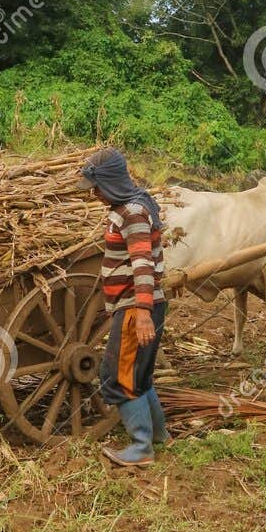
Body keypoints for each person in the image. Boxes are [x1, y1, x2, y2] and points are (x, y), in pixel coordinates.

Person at [80, 147, 169, 467]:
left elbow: (143, 263)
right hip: (139, 306)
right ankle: (158, 434)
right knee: (138, 375)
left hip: (137, 308)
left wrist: (142, 312)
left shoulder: (132, 213)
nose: (95, 195)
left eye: (97, 188)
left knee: (115, 376)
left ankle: (141, 446)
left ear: (110, 183)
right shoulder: (136, 204)